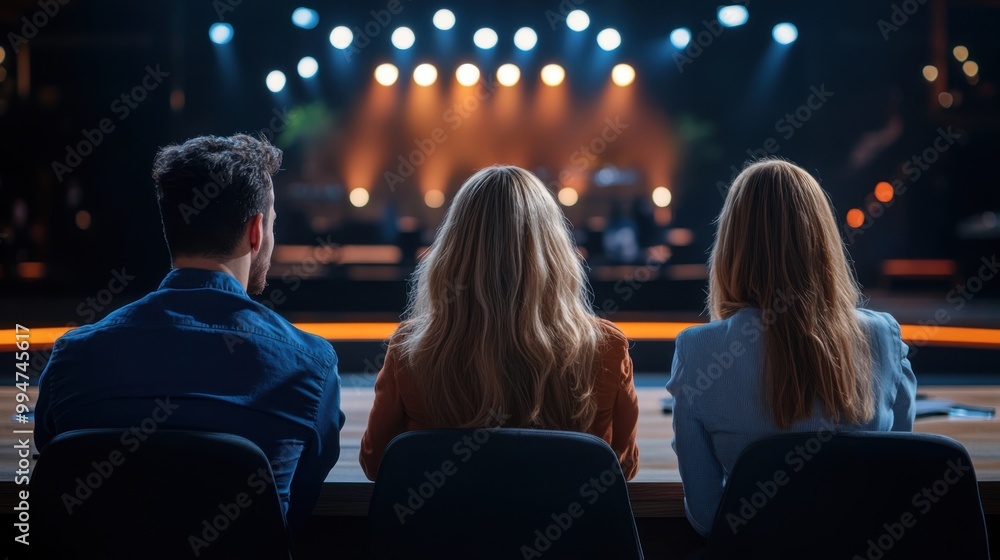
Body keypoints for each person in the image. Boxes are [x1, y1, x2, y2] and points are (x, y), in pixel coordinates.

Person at [34, 134, 344, 531]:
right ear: (255, 231)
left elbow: (56, 479)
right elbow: (294, 510)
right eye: (272, 224)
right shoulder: (311, 366)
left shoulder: (71, 358)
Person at [666, 158, 917, 536]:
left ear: (731, 246)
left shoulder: (698, 349)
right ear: (823, 241)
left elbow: (706, 516)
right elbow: (898, 478)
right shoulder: (883, 336)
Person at [360, 165, 639, 480]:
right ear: (555, 252)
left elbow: (375, 463)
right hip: (569, 528)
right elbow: (622, 469)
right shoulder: (606, 347)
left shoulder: (410, 349)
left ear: (453, 251)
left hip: (444, 529)